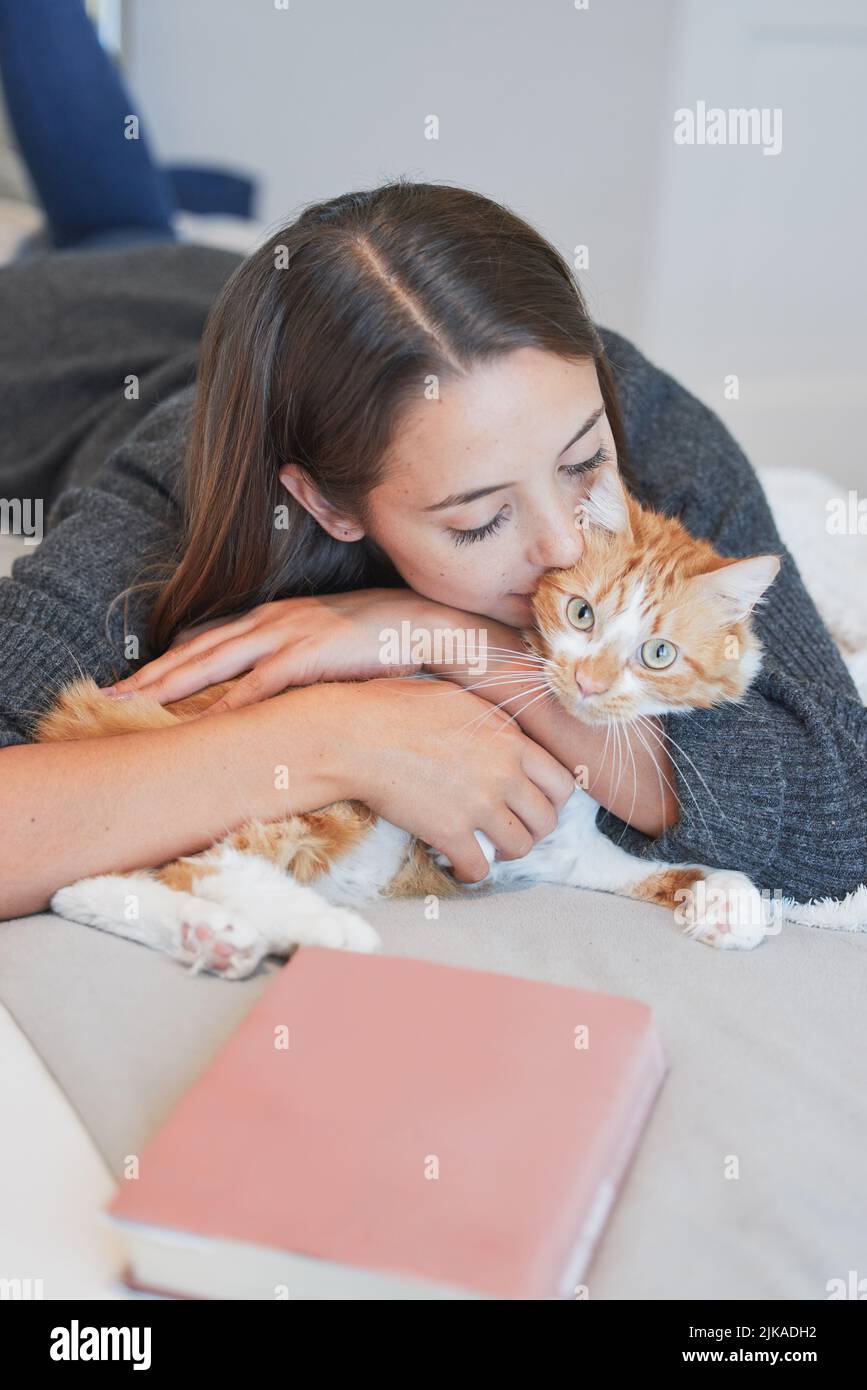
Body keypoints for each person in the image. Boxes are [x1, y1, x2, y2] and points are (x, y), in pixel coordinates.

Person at [0, 4, 863, 922]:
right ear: (329, 506)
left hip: (216, 287)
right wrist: (326, 738)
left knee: (123, 216)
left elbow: (840, 811)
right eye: (478, 519)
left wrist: (436, 636)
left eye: (582, 467)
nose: (567, 544)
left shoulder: (634, 414)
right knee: (103, 238)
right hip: (55, 339)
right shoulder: (180, 487)